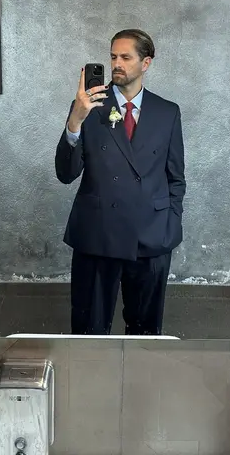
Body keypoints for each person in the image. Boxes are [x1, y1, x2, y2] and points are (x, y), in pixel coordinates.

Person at [55, 29, 186, 335]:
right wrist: (75, 120)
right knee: (89, 329)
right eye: (113, 56)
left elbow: (176, 177)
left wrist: (170, 222)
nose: (117, 64)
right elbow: (65, 173)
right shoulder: (88, 107)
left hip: (151, 235)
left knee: (145, 331)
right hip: (97, 233)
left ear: (146, 63)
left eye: (126, 57)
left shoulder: (167, 112)